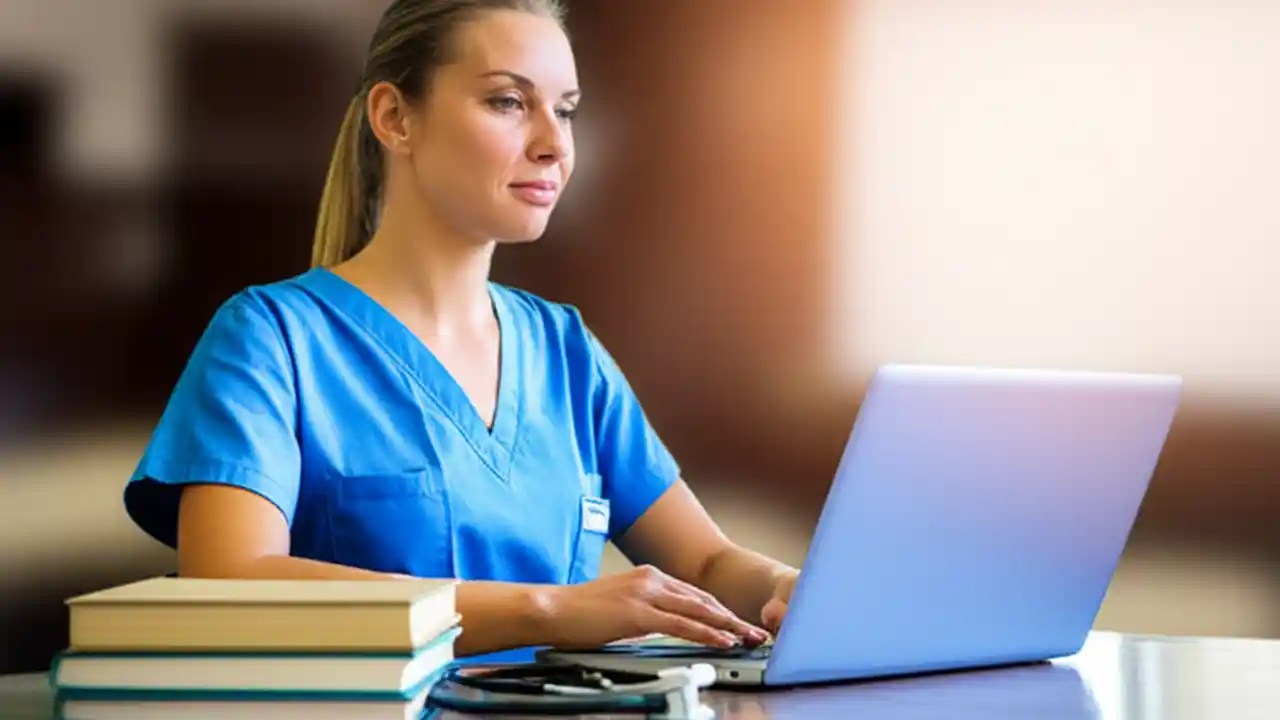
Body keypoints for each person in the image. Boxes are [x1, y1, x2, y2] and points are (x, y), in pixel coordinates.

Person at [123, 0, 799, 658]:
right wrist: (548, 610)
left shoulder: (565, 351)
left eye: (565, 110)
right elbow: (231, 582)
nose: (554, 144)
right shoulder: (270, 339)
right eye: (508, 102)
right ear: (394, 118)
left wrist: (785, 586)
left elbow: (706, 563)